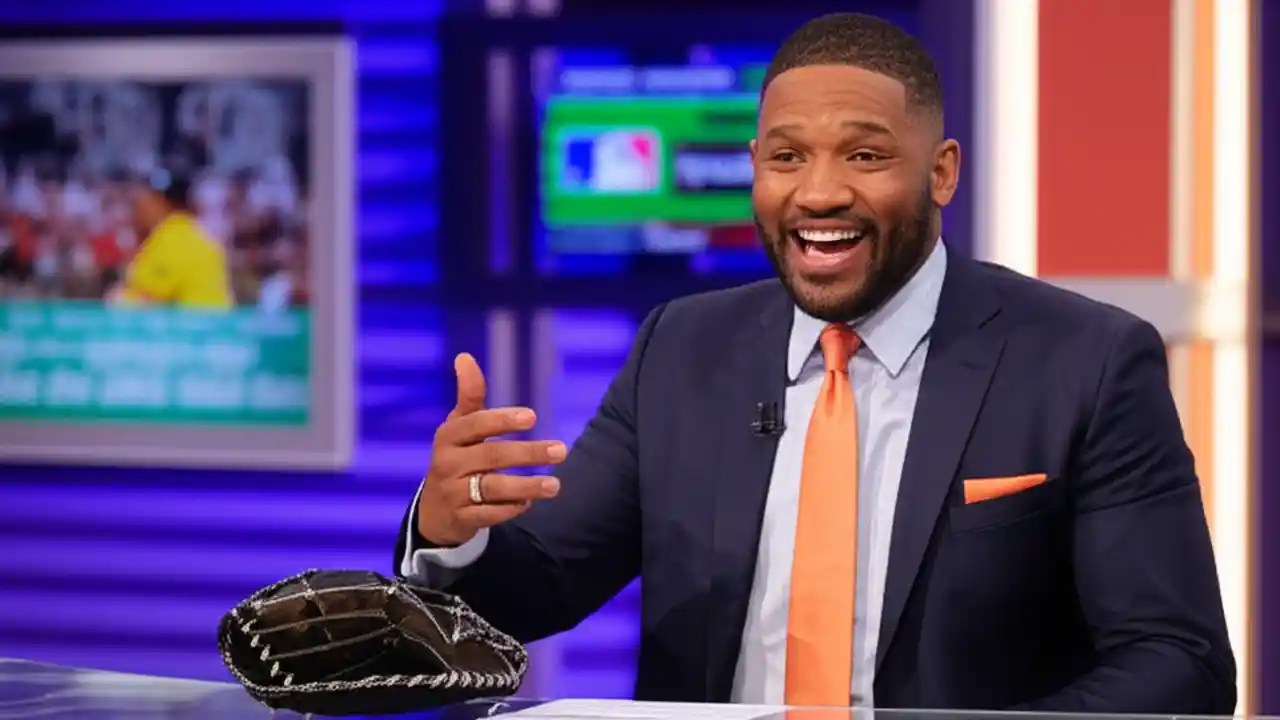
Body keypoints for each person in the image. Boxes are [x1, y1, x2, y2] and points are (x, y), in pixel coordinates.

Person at [395, 12, 1235, 713]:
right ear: (755, 167)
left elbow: (1178, 662)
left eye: (864, 156)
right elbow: (535, 590)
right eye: (787, 157)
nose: (820, 193)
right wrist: (451, 530)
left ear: (940, 174)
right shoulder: (680, 350)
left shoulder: (1085, 361)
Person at [110, 166, 233, 310]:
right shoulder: (191, 232)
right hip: (211, 327)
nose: (136, 208)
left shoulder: (172, 239)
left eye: (142, 200)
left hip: (195, 329)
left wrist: (119, 297)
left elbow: (143, 301)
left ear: (160, 203)